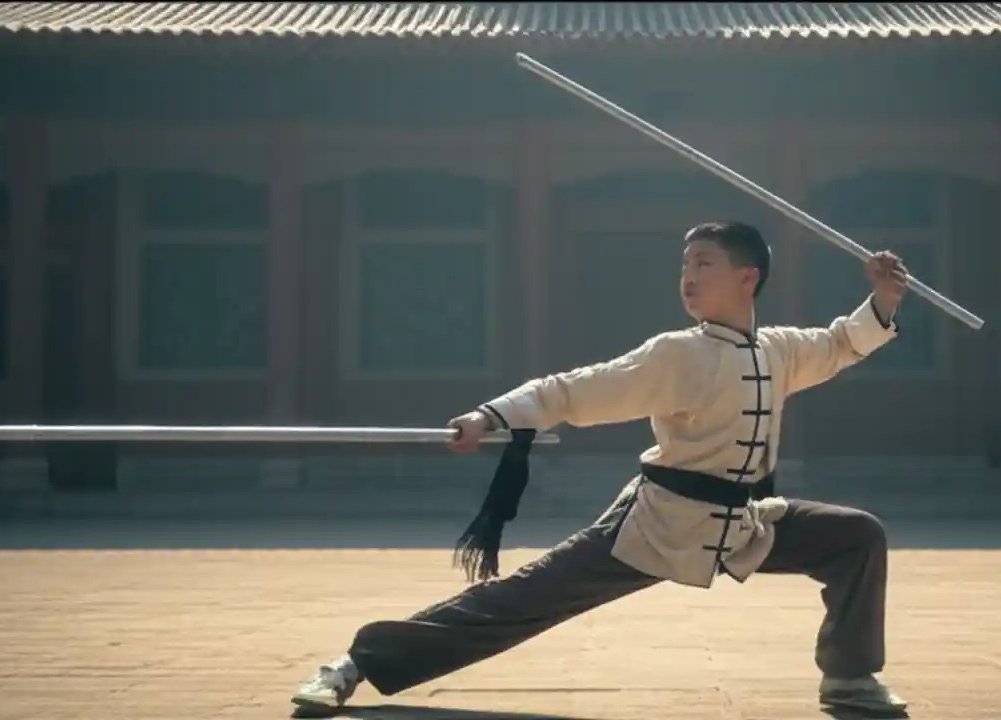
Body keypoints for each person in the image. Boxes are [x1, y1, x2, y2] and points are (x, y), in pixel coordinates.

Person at [291, 221, 911, 716]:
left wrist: (883, 299)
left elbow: (842, 342)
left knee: (856, 536)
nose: (688, 276)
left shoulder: (779, 351)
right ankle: (355, 664)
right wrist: (492, 416)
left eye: (704, 264)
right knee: (518, 601)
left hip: (745, 524)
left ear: (747, 277)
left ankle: (850, 678)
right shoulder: (676, 354)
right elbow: (574, 390)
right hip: (658, 525)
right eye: (685, 264)